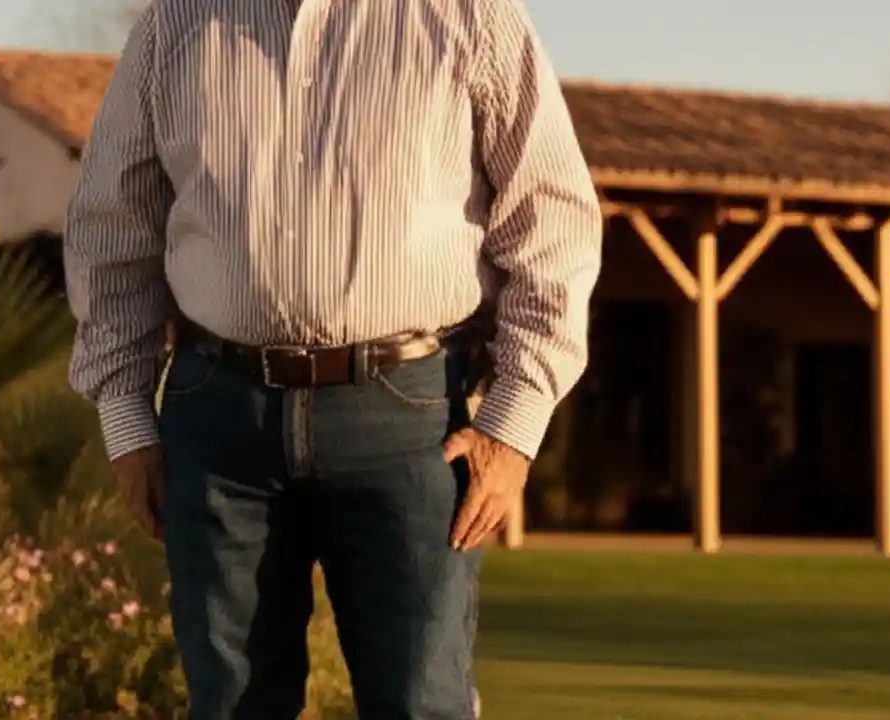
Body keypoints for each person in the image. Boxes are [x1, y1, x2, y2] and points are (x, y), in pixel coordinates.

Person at [63, 0, 602, 717]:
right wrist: (127, 419)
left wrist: (512, 427)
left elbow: (553, 223)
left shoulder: (473, 19)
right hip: (219, 420)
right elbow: (111, 229)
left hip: (409, 422)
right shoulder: (177, 29)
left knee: (420, 701)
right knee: (232, 704)